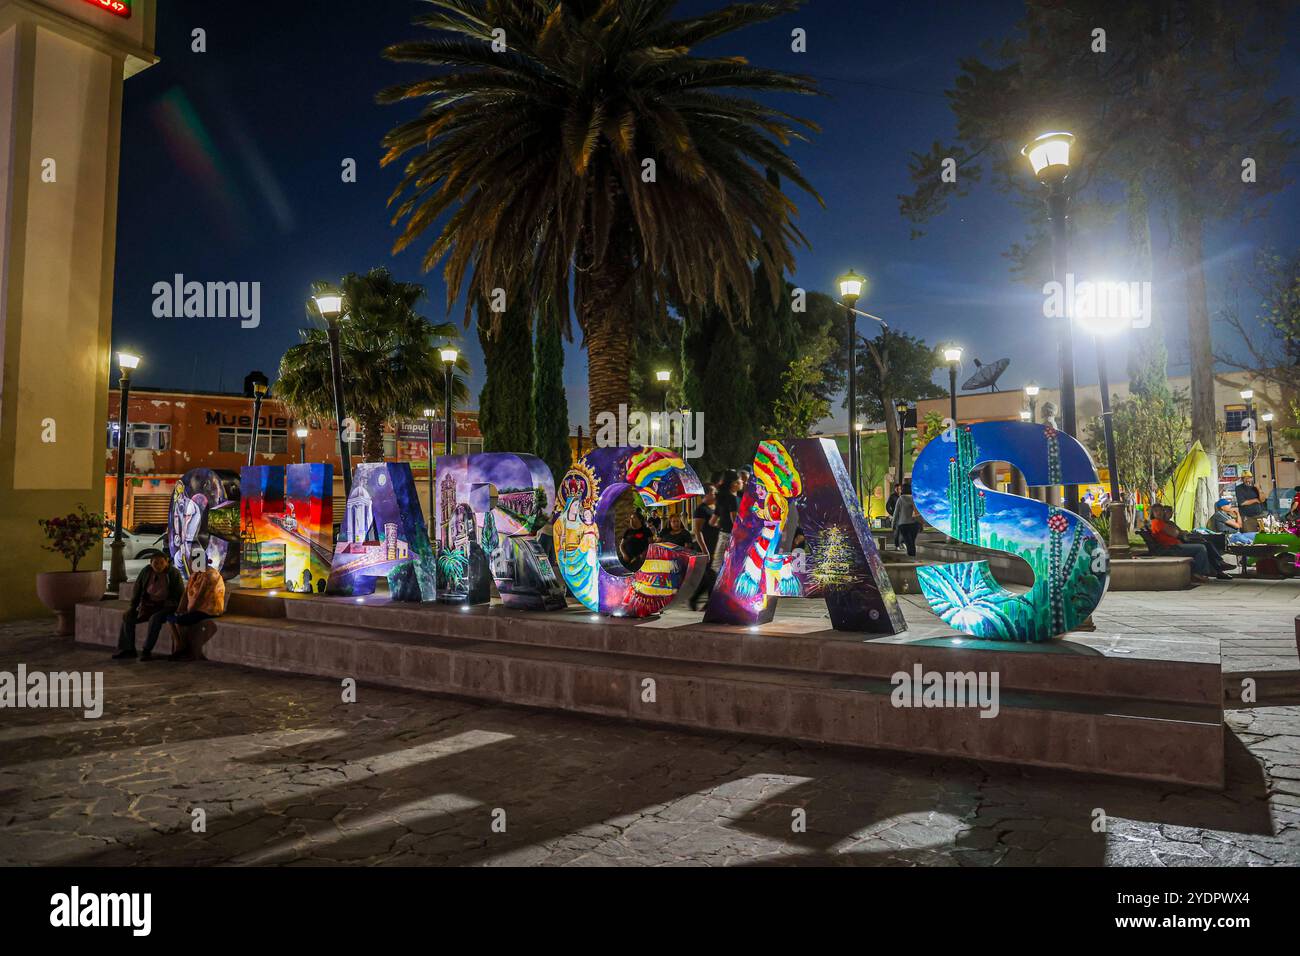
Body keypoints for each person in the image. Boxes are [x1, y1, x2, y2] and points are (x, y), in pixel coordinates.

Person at [112, 554, 183, 660]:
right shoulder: (146, 572)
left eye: (161, 563)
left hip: (166, 607)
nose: (158, 566)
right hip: (148, 605)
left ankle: (147, 650)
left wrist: (171, 604)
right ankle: (128, 649)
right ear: (151, 563)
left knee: (155, 619)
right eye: (155, 563)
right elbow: (138, 589)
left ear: (167, 562)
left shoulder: (173, 573)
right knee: (128, 617)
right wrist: (133, 607)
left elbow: (179, 594)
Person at [154, 558, 227, 661]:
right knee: (171, 618)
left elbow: (200, 597)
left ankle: (184, 650)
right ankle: (180, 647)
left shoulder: (210, 575)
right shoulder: (194, 575)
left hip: (210, 609)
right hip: (197, 609)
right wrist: (179, 610)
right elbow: (185, 594)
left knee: (182, 620)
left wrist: (187, 612)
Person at [1150, 504, 1231, 582]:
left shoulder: (1164, 523)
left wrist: (1178, 531)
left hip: (1176, 545)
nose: (1159, 512)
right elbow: (1175, 533)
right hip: (1171, 548)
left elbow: (1178, 532)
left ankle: (1218, 565)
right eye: (1156, 511)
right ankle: (1199, 572)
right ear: (1152, 513)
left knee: (1205, 544)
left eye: (1161, 510)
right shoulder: (1157, 522)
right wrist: (1178, 532)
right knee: (1201, 548)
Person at [690, 485, 719, 610]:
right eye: (713, 492)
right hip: (704, 547)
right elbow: (697, 531)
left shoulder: (712, 509)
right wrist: (704, 550)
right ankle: (701, 601)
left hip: (713, 547)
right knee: (710, 576)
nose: (715, 495)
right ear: (705, 495)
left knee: (711, 576)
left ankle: (704, 602)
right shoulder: (700, 510)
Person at [711, 471, 741, 568]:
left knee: (717, 565)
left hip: (722, 535)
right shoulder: (733, 499)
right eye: (738, 480)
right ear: (733, 483)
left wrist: (722, 523)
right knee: (731, 566)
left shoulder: (721, 498)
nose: (741, 482)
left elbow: (712, 522)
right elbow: (735, 521)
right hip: (731, 536)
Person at [892, 481, 922, 557]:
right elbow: (920, 512)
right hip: (914, 524)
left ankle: (911, 556)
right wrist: (921, 524)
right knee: (912, 541)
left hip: (903, 524)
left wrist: (893, 524)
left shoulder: (901, 499)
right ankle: (913, 555)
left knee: (908, 541)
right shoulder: (915, 499)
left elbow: (896, 513)